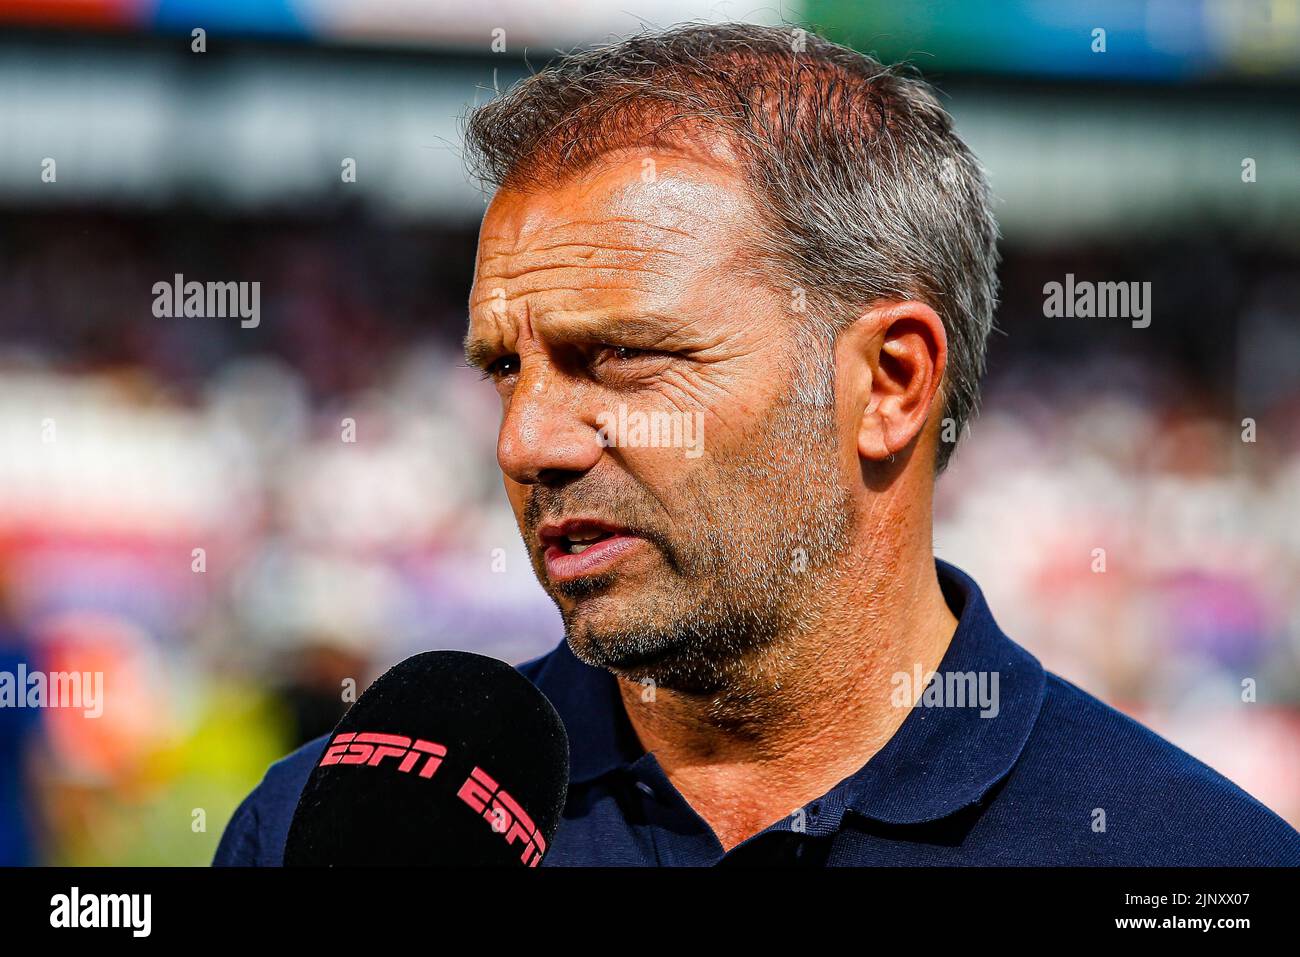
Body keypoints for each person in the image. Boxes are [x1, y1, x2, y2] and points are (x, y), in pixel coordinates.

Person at [215, 23, 1300, 866]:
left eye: (623, 357)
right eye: (505, 367)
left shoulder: (1186, 859)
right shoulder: (335, 829)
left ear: (889, 383)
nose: (525, 440)